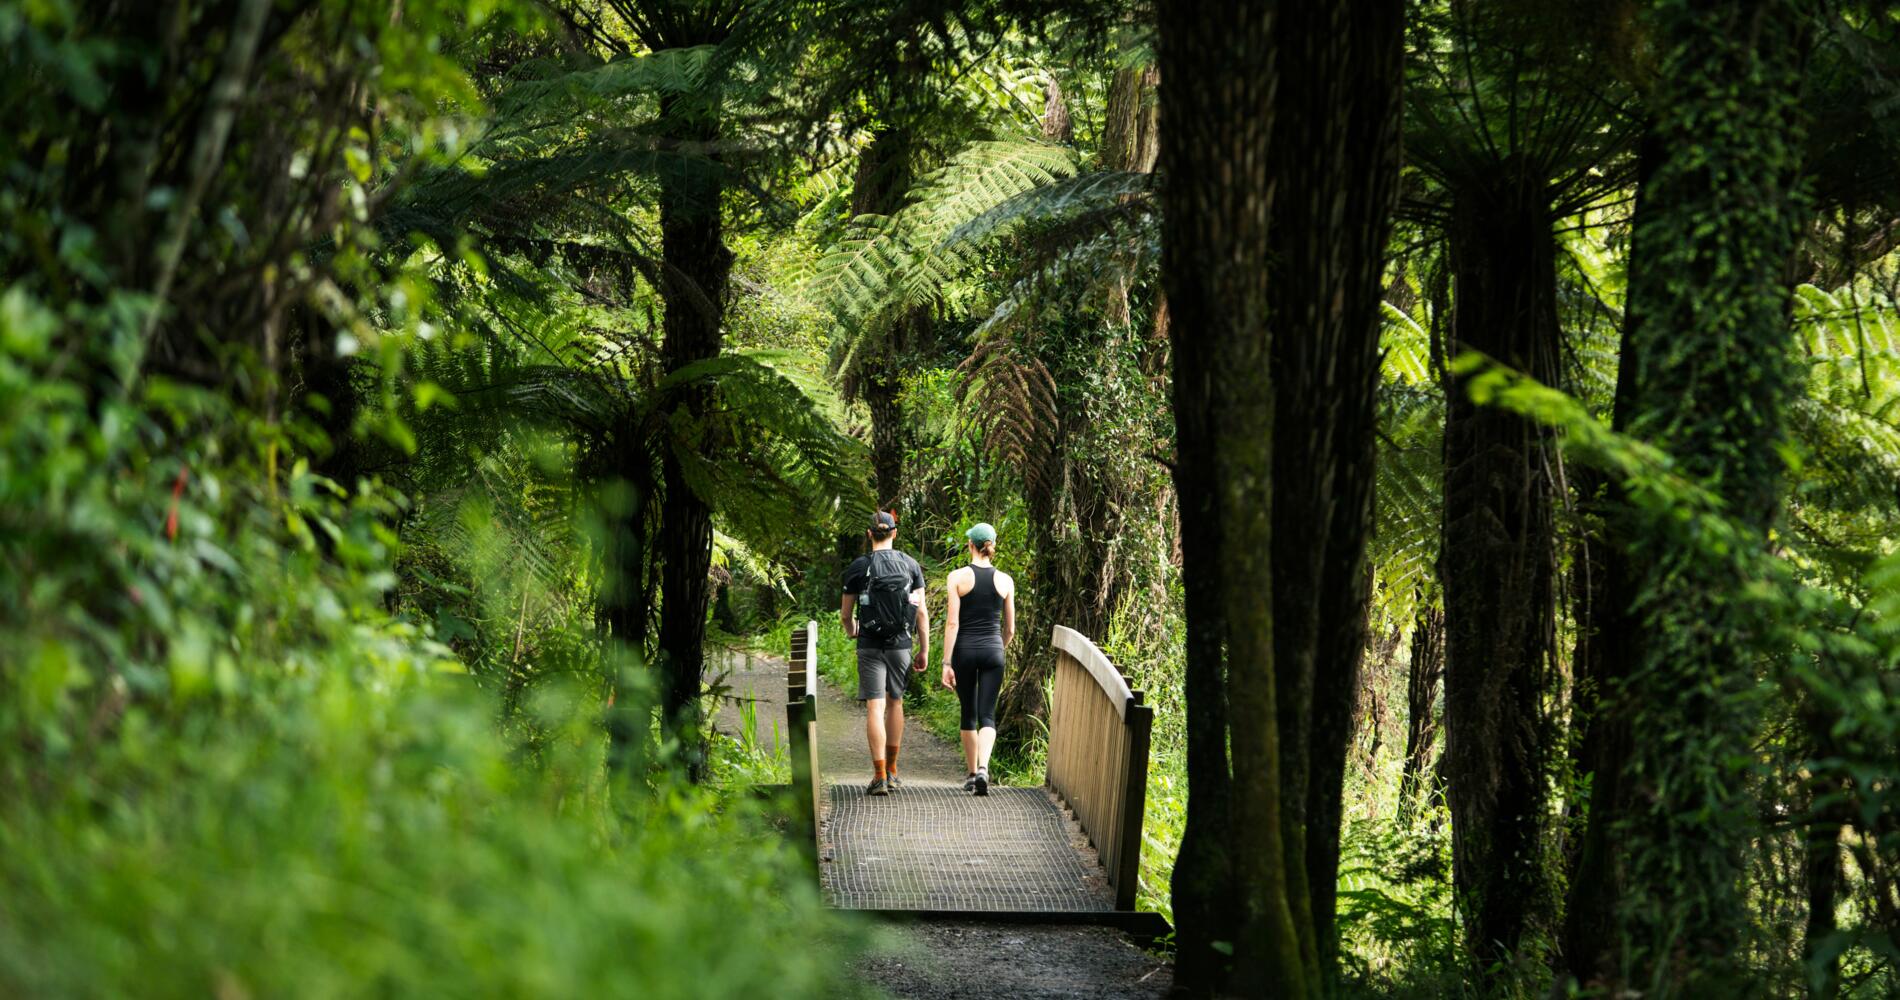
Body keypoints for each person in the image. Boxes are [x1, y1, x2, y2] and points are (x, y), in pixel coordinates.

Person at [841, 509, 928, 797]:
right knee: (896, 702)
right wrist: (924, 649)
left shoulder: (858, 566)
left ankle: (878, 776)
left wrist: (853, 630)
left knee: (875, 707)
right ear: (894, 533)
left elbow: (846, 614)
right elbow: (921, 613)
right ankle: (892, 770)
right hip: (901, 643)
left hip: (869, 643)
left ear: (869, 534)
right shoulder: (911, 565)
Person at [939, 521, 1015, 796]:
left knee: (968, 713)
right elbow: (1010, 629)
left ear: (970, 544)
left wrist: (947, 663)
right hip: (993, 650)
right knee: (987, 715)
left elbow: (952, 623)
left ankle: (972, 774)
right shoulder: (1005, 581)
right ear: (991, 546)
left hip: (965, 652)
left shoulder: (957, 577)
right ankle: (983, 768)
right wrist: (997, 647)